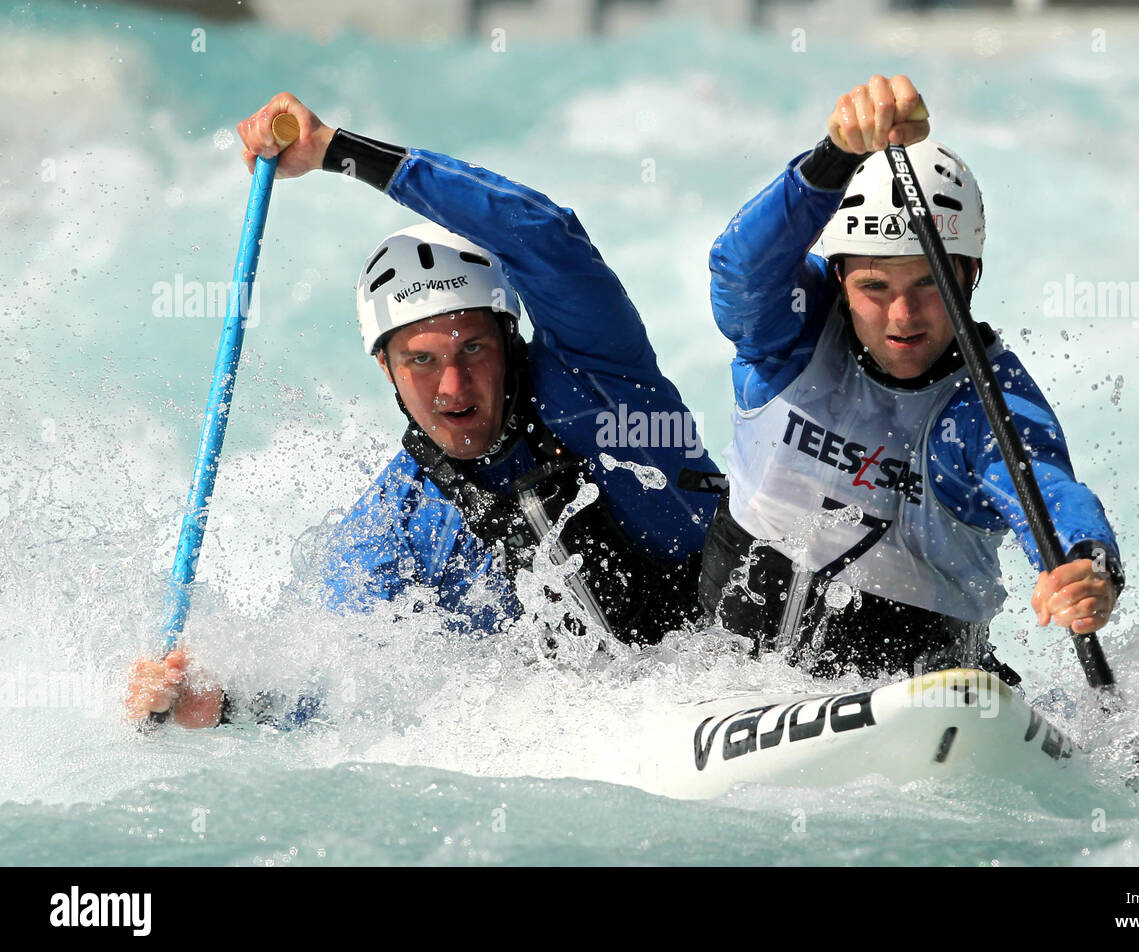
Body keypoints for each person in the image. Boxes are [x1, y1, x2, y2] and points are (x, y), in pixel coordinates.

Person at [126, 92, 720, 727]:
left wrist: (336, 151)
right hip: (619, 723)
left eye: (473, 348)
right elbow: (331, 687)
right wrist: (211, 704)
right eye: (422, 361)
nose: (453, 386)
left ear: (510, 339)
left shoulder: (599, 378)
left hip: (758, 638)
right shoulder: (399, 523)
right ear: (386, 368)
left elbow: (546, 236)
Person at [697, 76, 1124, 682]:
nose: (903, 317)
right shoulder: (788, 335)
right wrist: (834, 158)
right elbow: (739, 269)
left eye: (929, 284)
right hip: (715, 676)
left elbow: (1051, 496)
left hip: (923, 698)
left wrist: (1087, 564)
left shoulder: (985, 411)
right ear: (839, 276)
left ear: (969, 274)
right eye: (875, 287)